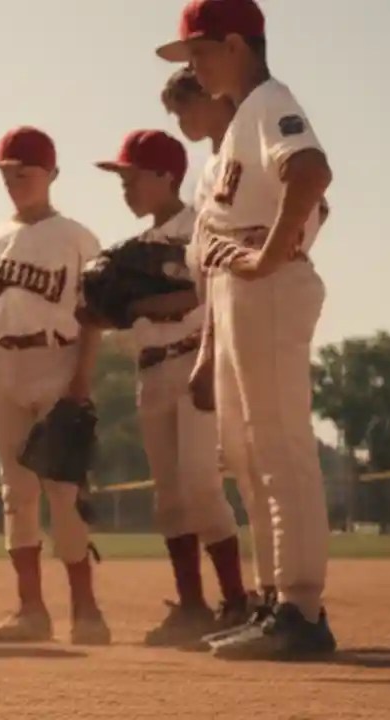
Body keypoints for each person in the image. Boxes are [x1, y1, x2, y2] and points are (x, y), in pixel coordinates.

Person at [155, 0, 337, 660]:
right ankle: (272, 601)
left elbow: (312, 174)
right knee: (246, 454)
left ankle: (302, 607)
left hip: (267, 289)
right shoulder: (233, 134)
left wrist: (267, 256)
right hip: (234, 300)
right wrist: (207, 350)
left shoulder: (268, 101)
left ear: (236, 44)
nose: (195, 66)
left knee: (280, 447)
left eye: (200, 51)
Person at [0, 126, 111, 646]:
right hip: (2, 364)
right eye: (7, 172)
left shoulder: (76, 237)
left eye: (25, 171)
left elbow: (93, 315)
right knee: (14, 493)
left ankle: (86, 611)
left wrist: (82, 379)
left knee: (63, 492)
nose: (15, 180)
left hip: (56, 359)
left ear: (52, 174)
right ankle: (30, 611)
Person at [92, 129, 248, 647]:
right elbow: (109, 311)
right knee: (170, 498)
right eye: (122, 179)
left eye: (131, 177)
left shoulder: (199, 228)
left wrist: (141, 305)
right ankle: (191, 607)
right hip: (151, 369)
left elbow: (202, 294)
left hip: (195, 362)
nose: (125, 187)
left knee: (202, 486)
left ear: (166, 176)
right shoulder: (131, 251)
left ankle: (239, 603)